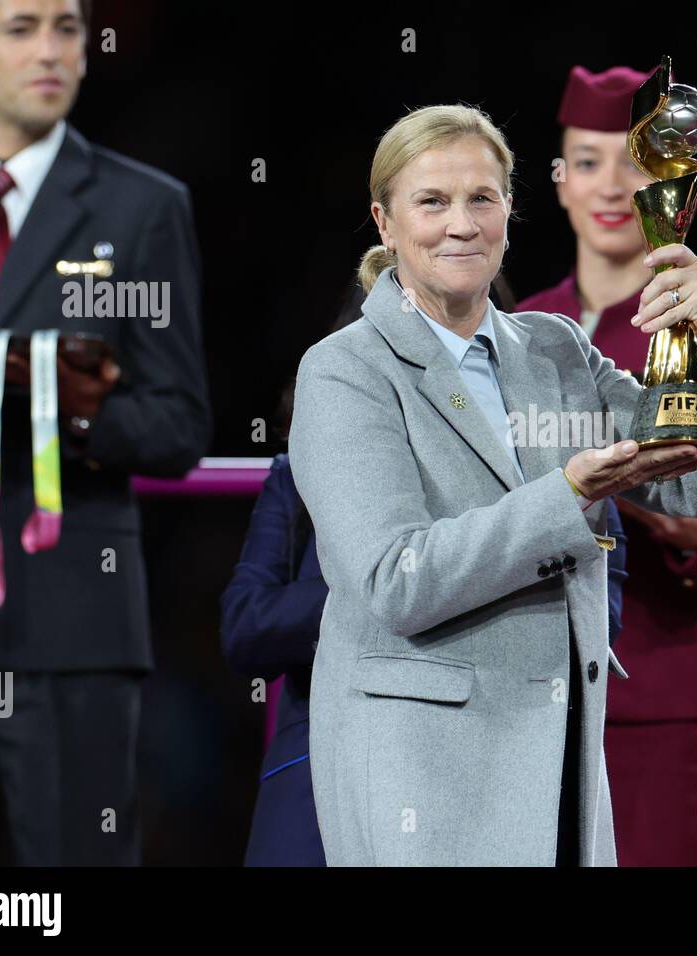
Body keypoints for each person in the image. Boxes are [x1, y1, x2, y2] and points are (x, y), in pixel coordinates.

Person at [288, 103, 697, 866]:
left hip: (563, 761)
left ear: (511, 211)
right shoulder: (345, 369)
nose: (462, 224)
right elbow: (394, 581)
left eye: (482, 198)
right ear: (384, 222)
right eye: (433, 201)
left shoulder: (555, 349)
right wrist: (568, 494)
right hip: (424, 771)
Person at [0, 0, 211, 864]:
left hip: (72, 604)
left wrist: (62, 404)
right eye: (21, 27)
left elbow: (180, 424)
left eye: (67, 29)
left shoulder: (145, 208)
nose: (50, 50)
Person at [219, 291, 629, 865]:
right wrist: (368, 572)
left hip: (523, 750)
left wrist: (448, 566)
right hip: (331, 752)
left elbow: (596, 613)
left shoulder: (559, 448)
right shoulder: (307, 456)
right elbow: (248, 627)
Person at [517, 65, 697, 866]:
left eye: (636, 162)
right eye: (589, 161)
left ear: (673, 177)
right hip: (525, 698)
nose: (611, 185)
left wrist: (689, 530)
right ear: (558, 180)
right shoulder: (515, 330)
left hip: (658, 704)